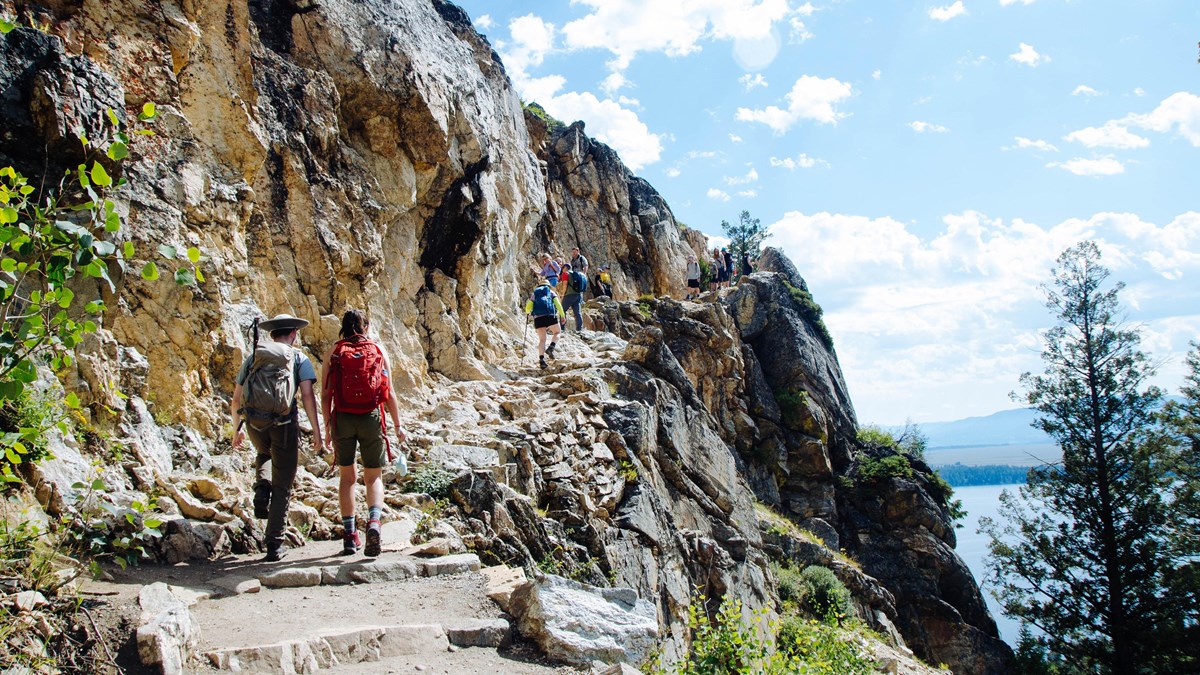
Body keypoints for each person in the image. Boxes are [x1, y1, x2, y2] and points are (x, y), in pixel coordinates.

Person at [231, 313, 323, 562]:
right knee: (283, 484)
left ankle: (261, 487)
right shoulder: (299, 358)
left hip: (254, 422)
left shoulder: (254, 357)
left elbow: (238, 397)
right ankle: (274, 544)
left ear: (272, 334)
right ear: (293, 334)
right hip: (284, 423)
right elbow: (307, 397)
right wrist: (317, 431)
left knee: (263, 453)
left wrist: (236, 428)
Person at [321, 310, 407, 558]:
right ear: (365, 327)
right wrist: (398, 426)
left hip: (343, 418)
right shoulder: (377, 350)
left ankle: (349, 535)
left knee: (347, 478)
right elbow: (389, 392)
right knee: (374, 477)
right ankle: (374, 523)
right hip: (371, 417)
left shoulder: (334, 352)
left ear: (343, 328)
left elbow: (326, 394)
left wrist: (327, 427)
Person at [525, 278, 566, 369]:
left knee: (542, 340)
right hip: (550, 316)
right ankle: (551, 347)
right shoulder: (551, 292)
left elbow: (528, 307)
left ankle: (542, 360)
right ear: (548, 286)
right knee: (557, 332)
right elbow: (558, 305)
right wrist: (562, 315)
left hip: (538, 318)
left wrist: (529, 313)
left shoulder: (535, 293)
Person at [561, 263, 586, 331]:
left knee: (562, 310)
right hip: (578, 295)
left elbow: (565, 285)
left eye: (563, 268)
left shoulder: (565, 274)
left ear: (565, 268)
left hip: (569, 295)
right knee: (577, 312)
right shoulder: (575, 274)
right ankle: (579, 328)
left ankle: (562, 328)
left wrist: (562, 295)